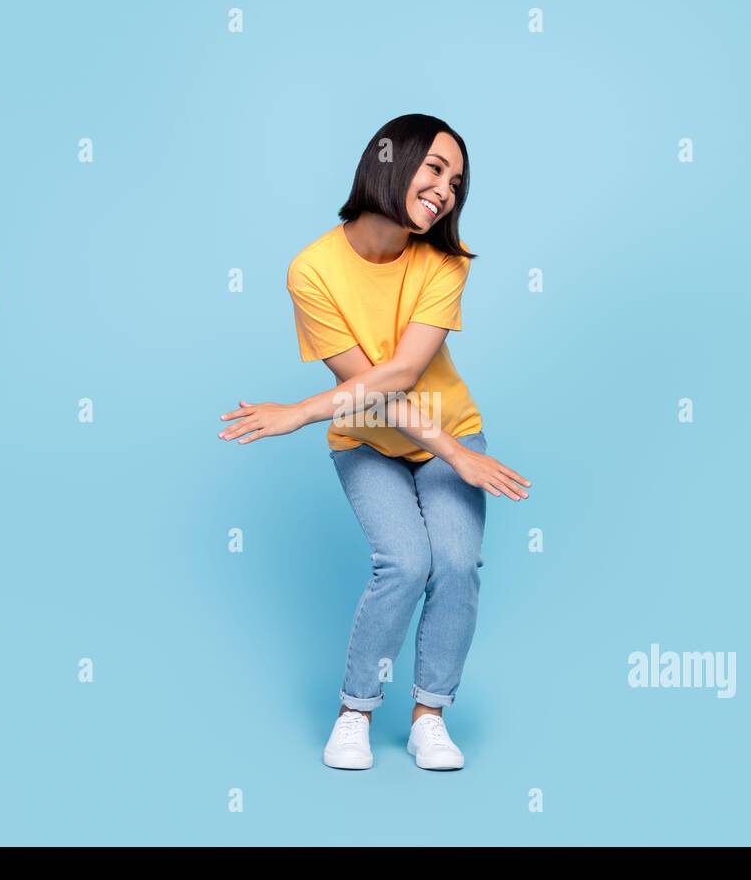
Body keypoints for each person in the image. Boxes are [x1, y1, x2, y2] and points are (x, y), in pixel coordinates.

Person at [218, 113, 530, 771]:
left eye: (457, 182)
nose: (446, 190)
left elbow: (405, 374)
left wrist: (302, 411)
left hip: (450, 429)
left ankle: (429, 717)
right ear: (390, 162)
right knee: (405, 562)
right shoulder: (313, 270)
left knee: (456, 564)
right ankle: (355, 711)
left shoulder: (444, 261)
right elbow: (374, 390)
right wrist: (452, 453)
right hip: (367, 439)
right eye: (436, 169)